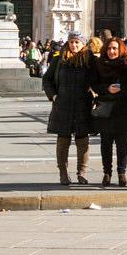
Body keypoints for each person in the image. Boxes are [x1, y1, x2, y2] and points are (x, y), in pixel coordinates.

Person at [43, 33, 95, 186]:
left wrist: (95, 92)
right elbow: (47, 79)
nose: (74, 45)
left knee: (82, 141)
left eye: (77, 42)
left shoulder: (90, 59)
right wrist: (53, 96)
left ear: (83, 44)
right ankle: (63, 173)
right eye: (71, 42)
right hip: (63, 105)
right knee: (63, 141)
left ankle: (82, 172)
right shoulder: (60, 59)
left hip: (83, 105)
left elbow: (98, 78)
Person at [91, 37, 127, 188]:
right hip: (105, 108)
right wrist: (107, 89)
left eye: (115, 48)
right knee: (105, 143)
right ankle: (107, 173)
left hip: (122, 109)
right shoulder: (100, 65)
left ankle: (121, 172)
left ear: (120, 50)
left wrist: (120, 90)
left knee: (122, 143)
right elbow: (94, 84)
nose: (111, 51)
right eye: (109, 48)